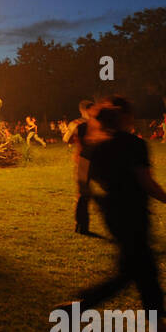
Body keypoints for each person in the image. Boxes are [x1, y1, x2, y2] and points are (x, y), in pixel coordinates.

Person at [68, 97, 166, 322]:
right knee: (137, 269)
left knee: (139, 267)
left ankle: (156, 320)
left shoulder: (92, 146)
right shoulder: (134, 144)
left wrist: (93, 200)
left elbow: (82, 180)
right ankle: (81, 304)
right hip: (134, 210)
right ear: (122, 119)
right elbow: (146, 182)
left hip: (111, 211)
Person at [64, 100, 94, 235]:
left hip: (84, 160)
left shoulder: (77, 123)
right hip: (97, 159)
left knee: (83, 192)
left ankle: (81, 224)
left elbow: (66, 139)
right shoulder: (99, 123)